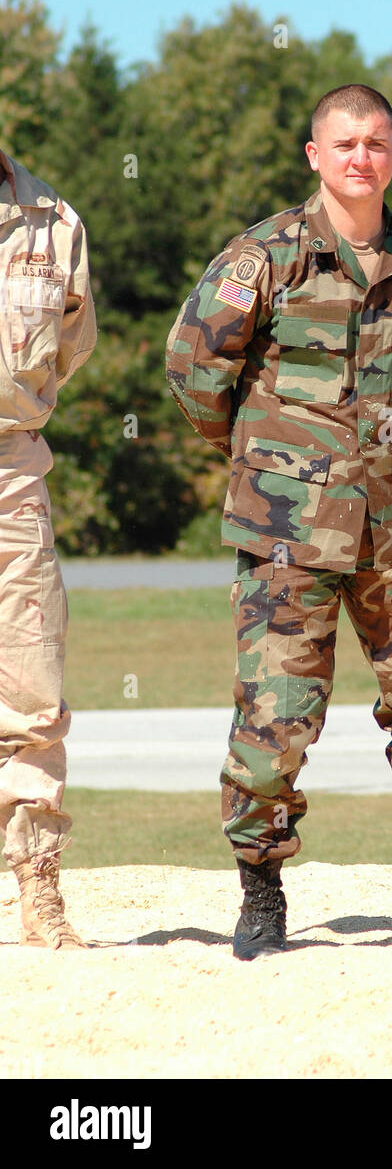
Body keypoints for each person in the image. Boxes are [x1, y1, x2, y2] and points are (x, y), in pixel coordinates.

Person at [166, 84, 392, 958]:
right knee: (276, 718)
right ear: (315, 156)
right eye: (346, 143)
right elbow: (195, 372)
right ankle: (262, 899)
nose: (363, 157)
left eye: (379, 143)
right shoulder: (266, 255)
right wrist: (268, 463)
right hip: (288, 530)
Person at [0, 147, 97, 947]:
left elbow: (71, 343)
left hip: (10, 474)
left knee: (33, 688)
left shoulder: (55, 224)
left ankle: (39, 890)